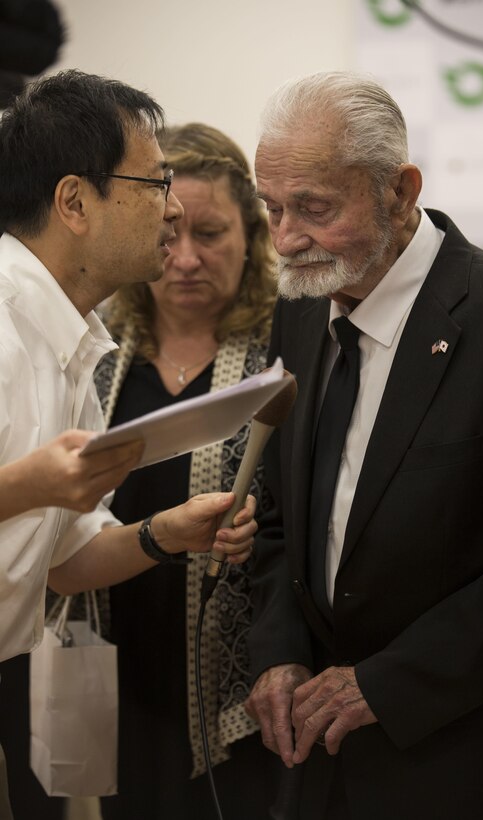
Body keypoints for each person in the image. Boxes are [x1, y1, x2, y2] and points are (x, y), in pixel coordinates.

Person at [243, 71, 483, 820]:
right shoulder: (301, 307)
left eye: (315, 208)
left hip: (452, 754)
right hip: (314, 764)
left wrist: (385, 683)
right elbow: (278, 515)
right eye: (271, 208)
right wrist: (279, 650)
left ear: (400, 191)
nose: (286, 239)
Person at [0, 72, 256, 820]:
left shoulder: (77, 340)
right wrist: (32, 485)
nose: (172, 208)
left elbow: (65, 560)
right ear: (75, 203)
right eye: (155, 183)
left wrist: (164, 533)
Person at [91, 122, 281, 820]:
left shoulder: (286, 353)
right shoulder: (97, 352)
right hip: (116, 662)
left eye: (211, 233)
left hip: (240, 684)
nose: (187, 258)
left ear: (252, 235)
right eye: (169, 233)